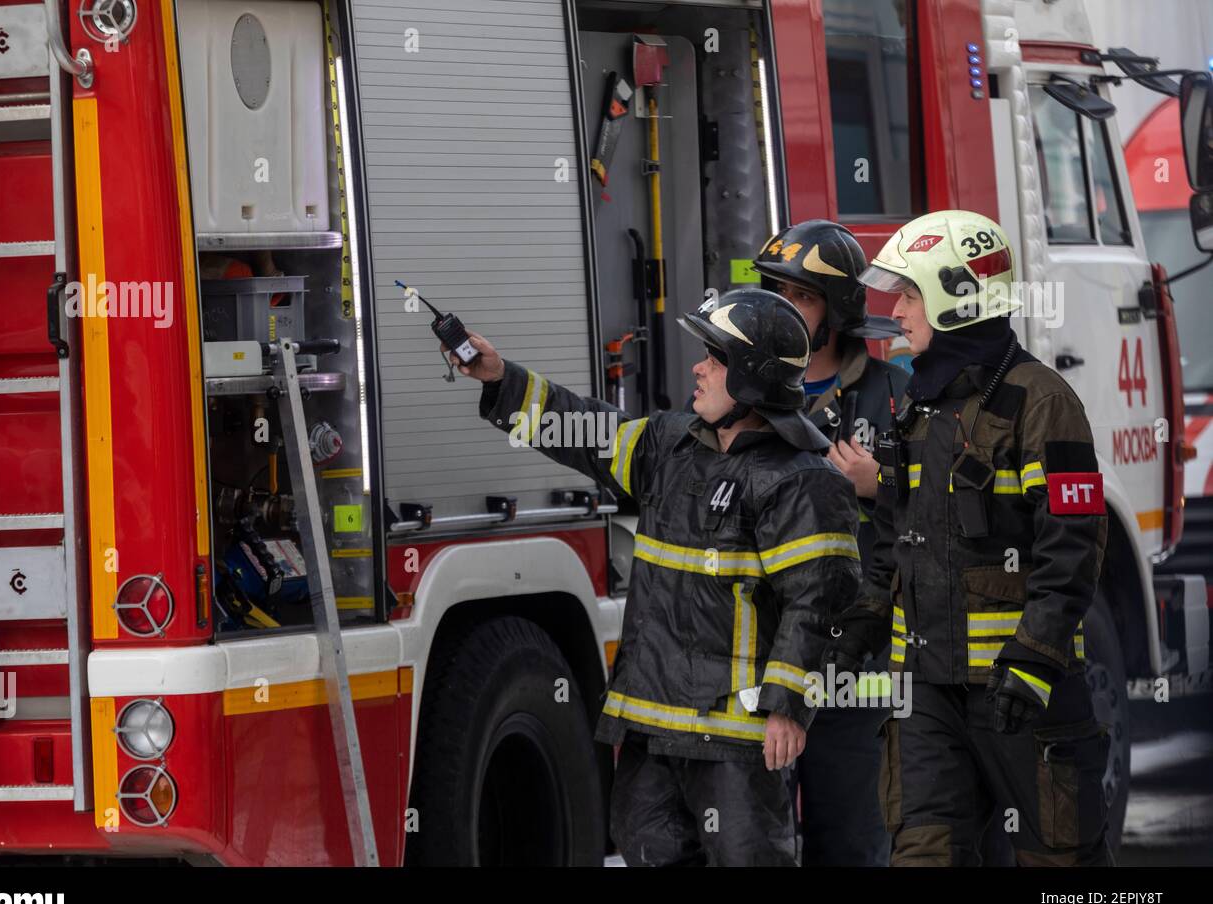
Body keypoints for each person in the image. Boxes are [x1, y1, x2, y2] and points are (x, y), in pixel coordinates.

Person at [448, 288, 861, 865]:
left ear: (750, 378)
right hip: (651, 726)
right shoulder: (671, 445)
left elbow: (818, 605)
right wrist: (501, 380)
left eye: (715, 358)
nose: (698, 367)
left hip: (736, 741)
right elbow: (585, 432)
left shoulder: (802, 481)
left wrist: (788, 707)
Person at [826, 209, 1111, 866]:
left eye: (909, 294)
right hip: (925, 695)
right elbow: (893, 535)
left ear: (957, 296)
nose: (895, 312)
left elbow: (1074, 546)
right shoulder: (918, 404)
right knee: (926, 855)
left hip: (1020, 695)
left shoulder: (1043, 403)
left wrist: (1033, 660)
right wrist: (858, 627)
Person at [753, 219, 907, 866]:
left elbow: (953, 514)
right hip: (758, 661)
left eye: (803, 296)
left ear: (839, 309)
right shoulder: (740, 394)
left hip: (855, 668)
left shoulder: (896, 398)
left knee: (848, 845)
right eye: (774, 291)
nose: (783, 308)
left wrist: (882, 486)